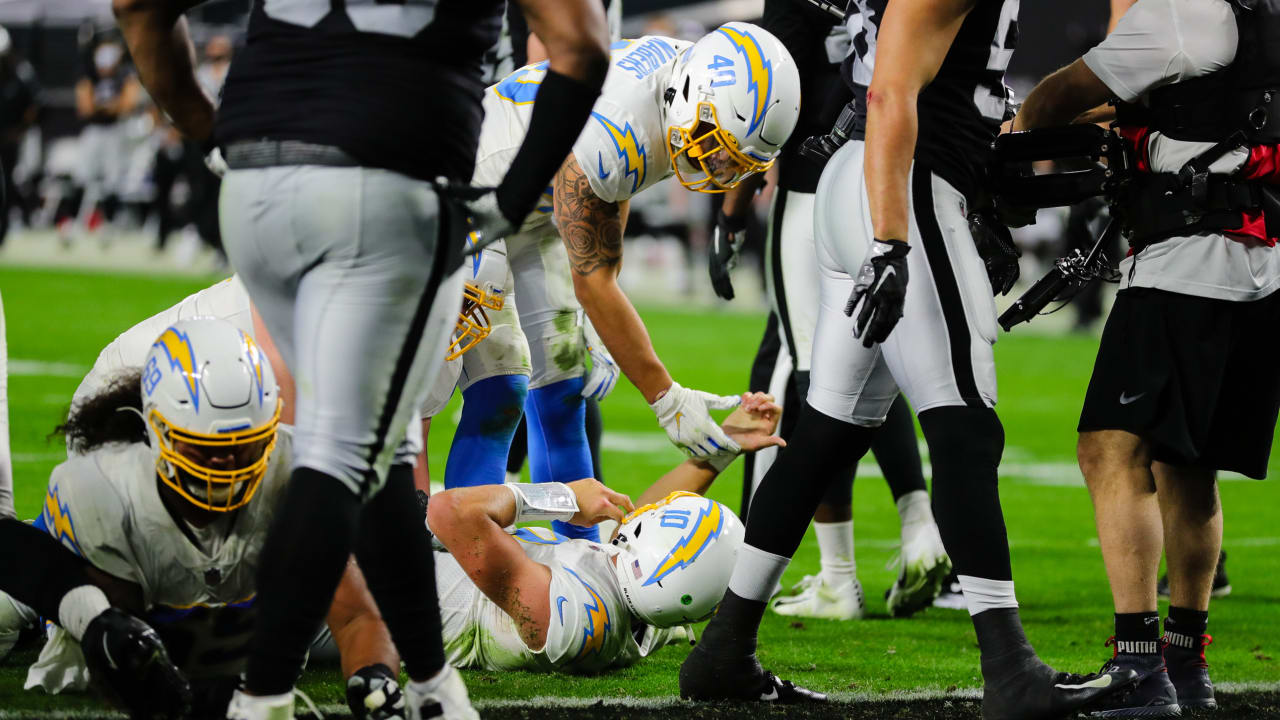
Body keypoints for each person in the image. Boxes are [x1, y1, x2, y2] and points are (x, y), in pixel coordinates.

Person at [112, 0, 612, 717]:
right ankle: (263, 697)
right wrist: (511, 198)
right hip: (387, 180)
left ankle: (436, 690)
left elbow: (136, 7)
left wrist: (204, 125)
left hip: (256, 185)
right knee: (342, 455)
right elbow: (583, 47)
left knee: (380, 446)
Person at [679, 1, 1138, 714]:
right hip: (902, 180)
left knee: (828, 431)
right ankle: (1010, 668)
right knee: (965, 424)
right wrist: (893, 241)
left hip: (863, 177)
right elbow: (893, 88)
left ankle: (723, 649)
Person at [1012, 0, 1280, 714]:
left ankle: (1138, 666)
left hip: (1183, 265)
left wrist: (1011, 129)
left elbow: (1057, 95)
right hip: (1259, 267)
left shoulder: (1179, 13)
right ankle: (1187, 665)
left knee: (1109, 450)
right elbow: (1202, 107)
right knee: (1189, 467)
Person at [0, 318, 402, 720]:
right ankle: (32, 617)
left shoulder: (298, 473)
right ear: (157, 432)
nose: (224, 468)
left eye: (243, 448)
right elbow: (129, 654)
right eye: (202, 449)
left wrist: (375, 677)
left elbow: (357, 616)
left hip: (250, 602)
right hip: (94, 586)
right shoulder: (103, 489)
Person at [713, 0, 948, 621]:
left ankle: (828, 573)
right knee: (877, 362)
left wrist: (733, 209)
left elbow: (762, 92)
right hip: (890, 175)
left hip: (815, 182)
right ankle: (919, 524)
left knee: (812, 375)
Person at [428, 393, 784, 674]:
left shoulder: (565, 613)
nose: (652, 511)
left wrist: (563, 499)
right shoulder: (656, 608)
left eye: (659, 518)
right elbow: (658, 555)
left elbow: (447, 512)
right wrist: (721, 450)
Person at [74, 35, 140, 237]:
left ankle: (109, 223)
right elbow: (85, 107)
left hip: (114, 131)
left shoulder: (125, 75)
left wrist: (106, 106)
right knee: (82, 175)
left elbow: (128, 105)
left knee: (113, 179)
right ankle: (72, 222)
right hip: (94, 130)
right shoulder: (90, 75)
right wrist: (110, 106)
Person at [0, 25, 40, 247]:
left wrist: (19, 131)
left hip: (13, 140)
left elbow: (35, 105)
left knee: (12, 181)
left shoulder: (21, 73)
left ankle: (12, 224)